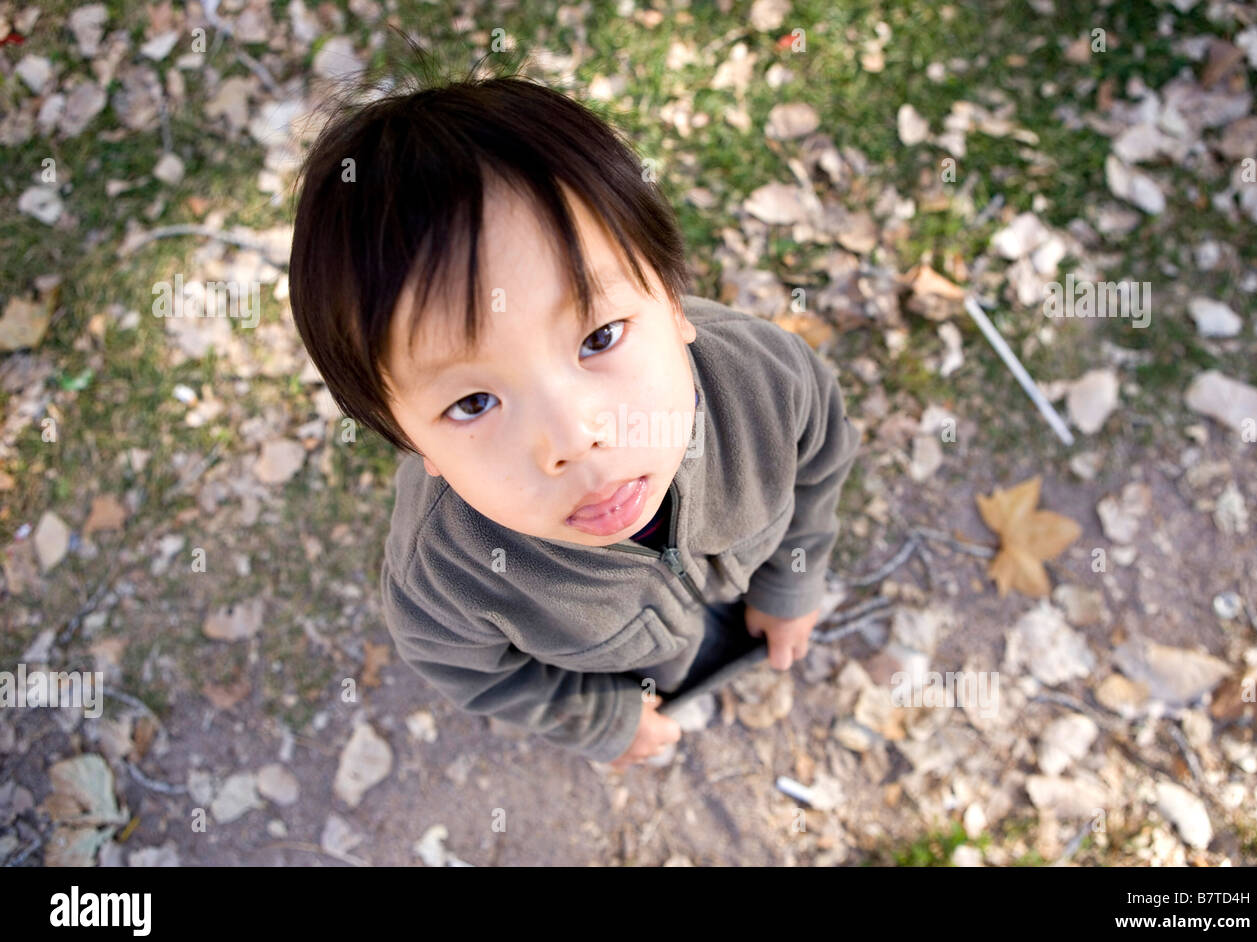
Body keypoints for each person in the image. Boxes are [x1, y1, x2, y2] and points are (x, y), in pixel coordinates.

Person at [287, 67, 862, 771]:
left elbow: (821, 458)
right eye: (473, 403)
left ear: (671, 301)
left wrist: (792, 579)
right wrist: (598, 718)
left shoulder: (764, 383)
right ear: (410, 440)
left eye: (599, 338)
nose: (573, 437)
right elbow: (473, 669)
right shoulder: (446, 574)